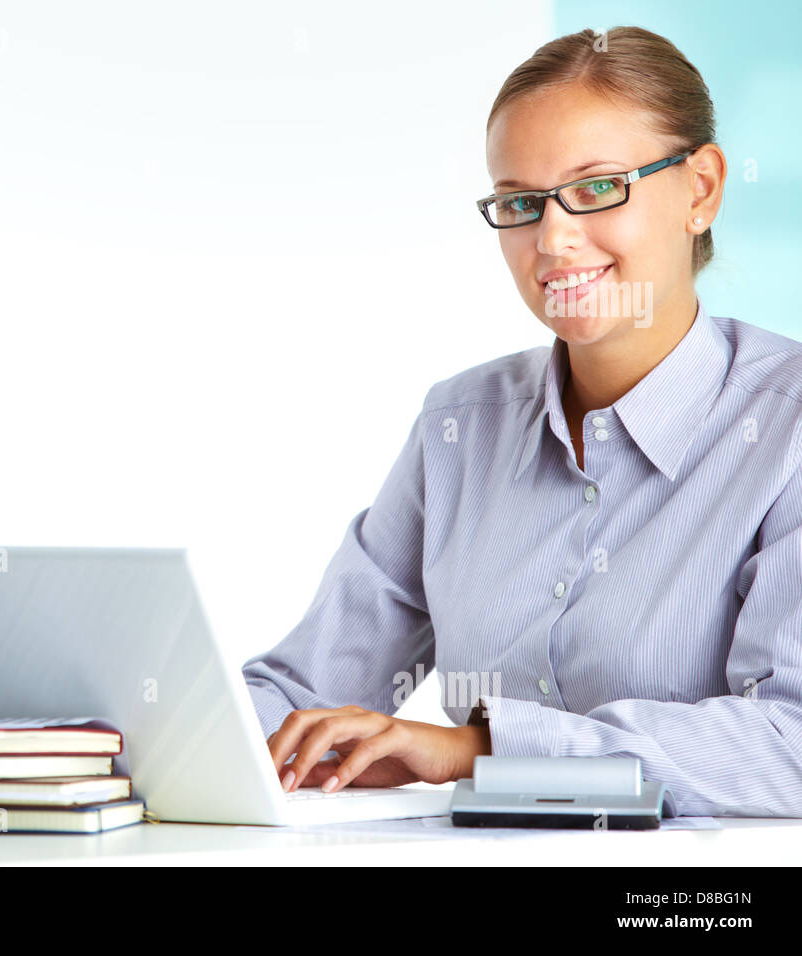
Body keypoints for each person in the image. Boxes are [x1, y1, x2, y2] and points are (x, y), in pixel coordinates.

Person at [243, 26, 802, 817]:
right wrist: (96, 743)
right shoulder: (459, 430)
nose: (553, 239)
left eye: (600, 187)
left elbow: (790, 746)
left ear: (702, 189)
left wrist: (481, 749)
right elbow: (303, 692)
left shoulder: (786, 430)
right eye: (520, 202)